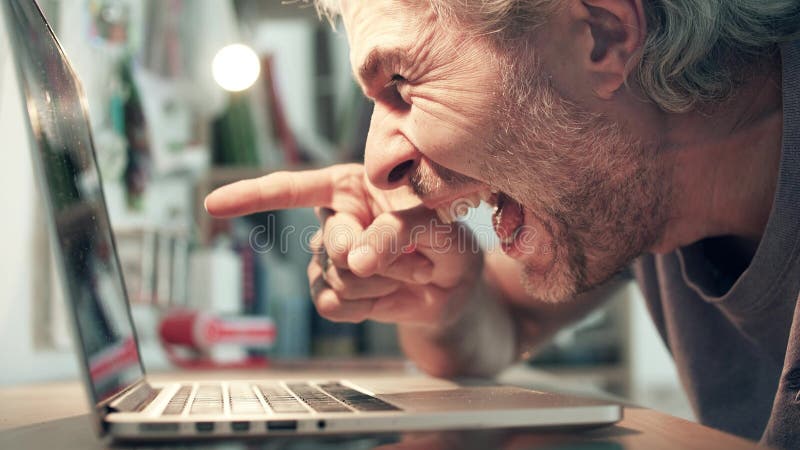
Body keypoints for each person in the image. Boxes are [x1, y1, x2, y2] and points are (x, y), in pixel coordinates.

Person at [204, 0, 800, 447]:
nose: (377, 166)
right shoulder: (634, 183)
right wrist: (448, 301)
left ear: (603, 35)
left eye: (404, 85)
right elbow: (509, 321)